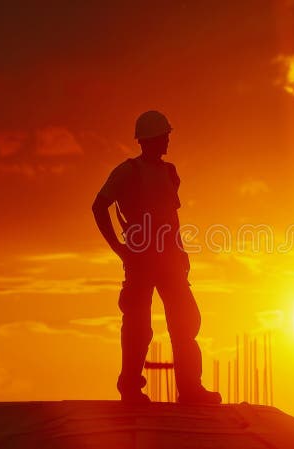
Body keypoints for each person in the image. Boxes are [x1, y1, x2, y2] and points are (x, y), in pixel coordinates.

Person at [92, 110, 221, 405]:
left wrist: (180, 250)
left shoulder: (168, 173)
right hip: (140, 262)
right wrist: (119, 248)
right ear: (148, 140)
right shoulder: (127, 172)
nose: (167, 142)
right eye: (164, 137)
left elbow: (170, 217)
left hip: (169, 261)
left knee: (185, 321)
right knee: (138, 326)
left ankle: (190, 388)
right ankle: (131, 389)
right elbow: (98, 207)